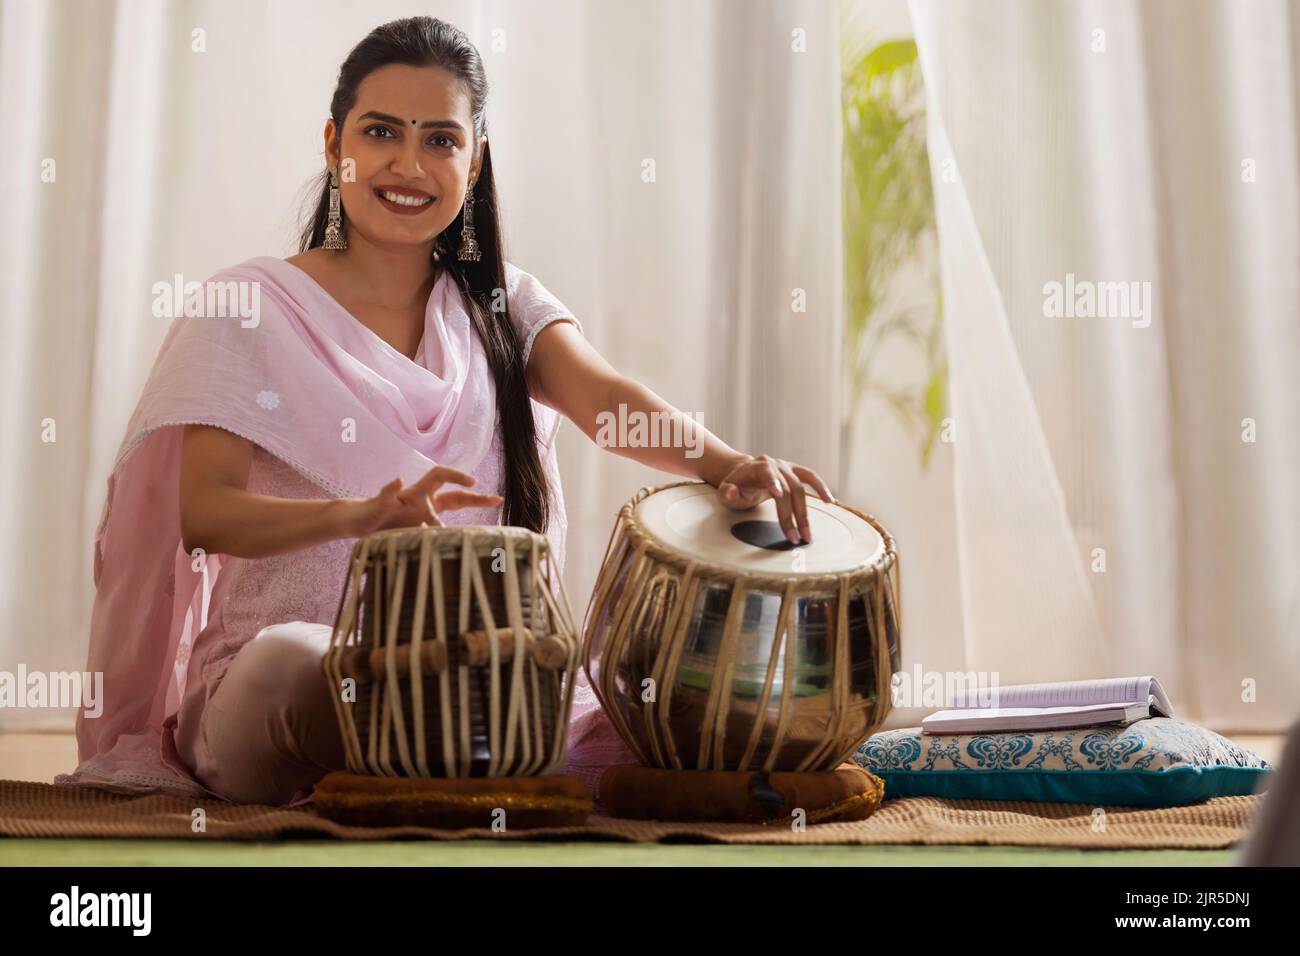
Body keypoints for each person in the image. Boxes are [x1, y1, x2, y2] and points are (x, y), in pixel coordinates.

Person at [56, 15, 834, 808]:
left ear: (475, 158)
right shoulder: (248, 306)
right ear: (335, 145)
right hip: (280, 694)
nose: (408, 164)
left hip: (478, 687)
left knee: (658, 701)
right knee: (298, 664)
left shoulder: (501, 305)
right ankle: (478, 769)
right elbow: (206, 513)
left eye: (440, 140)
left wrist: (729, 463)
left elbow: (607, 402)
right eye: (382, 132)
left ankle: (461, 768)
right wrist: (355, 517)